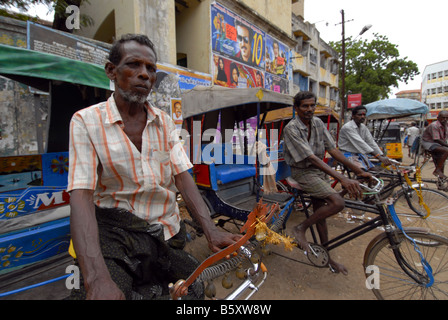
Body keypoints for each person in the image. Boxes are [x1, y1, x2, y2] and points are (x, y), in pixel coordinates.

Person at [67, 34, 241, 300]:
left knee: (192, 290)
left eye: (150, 68)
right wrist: (96, 278)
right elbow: (81, 195)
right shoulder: (85, 121)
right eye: (133, 65)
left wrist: (211, 229)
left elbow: (183, 178)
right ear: (111, 71)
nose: (144, 75)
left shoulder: (165, 122)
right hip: (116, 237)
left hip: (166, 234)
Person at [283, 91, 372, 275]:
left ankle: (328, 258)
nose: (309, 109)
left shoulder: (317, 123)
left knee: (321, 215)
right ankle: (301, 228)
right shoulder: (291, 128)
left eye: (312, 105)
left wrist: (358, 171)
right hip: (303, 172)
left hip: (318, 171)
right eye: (305, 106)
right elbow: (311, 158)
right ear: (297, 108)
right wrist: (342, 178)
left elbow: (333, 149)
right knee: (337, 202)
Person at [421, 110, 448, 178]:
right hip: (429, 143)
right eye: (443, 118)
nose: (445, 119)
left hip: (437, 143)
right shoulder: (434, 125)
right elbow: (437, 139)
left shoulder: (445, 125)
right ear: (438, 118)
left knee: (441, 161)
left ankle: (440, 178)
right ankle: (437, 170)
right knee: (446, 150)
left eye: (446, 118)